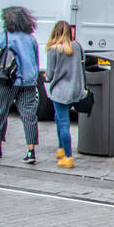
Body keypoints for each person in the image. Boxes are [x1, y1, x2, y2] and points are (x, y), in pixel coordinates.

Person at [0, 6, 41, 163]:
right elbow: (36, 60)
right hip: (28, 82)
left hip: (7, 81)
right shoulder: (31, 39)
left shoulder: (2, 37)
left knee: (1, 113)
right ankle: (31, 151)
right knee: (29, 116)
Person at [44, 21, 86, 168]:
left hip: (60, 92)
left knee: (63, 124)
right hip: (75, 90)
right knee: (59, 118)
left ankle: (68, 156)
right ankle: (61, 149)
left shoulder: (53, 50)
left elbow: (49, 75)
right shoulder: (77, 47)